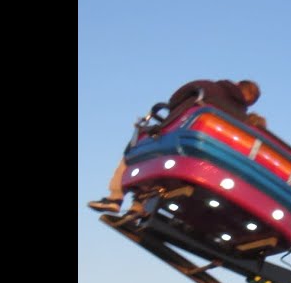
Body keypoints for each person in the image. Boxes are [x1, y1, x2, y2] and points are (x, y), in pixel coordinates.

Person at [87, 79, 263, 214]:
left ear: (237, 84)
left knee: (133, 153)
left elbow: (176, 98)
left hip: (177, 135)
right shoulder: (241, 119)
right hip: (207, 157)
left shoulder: (208, 87)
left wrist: (175, 112)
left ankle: (115, 198)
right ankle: (138, 206)